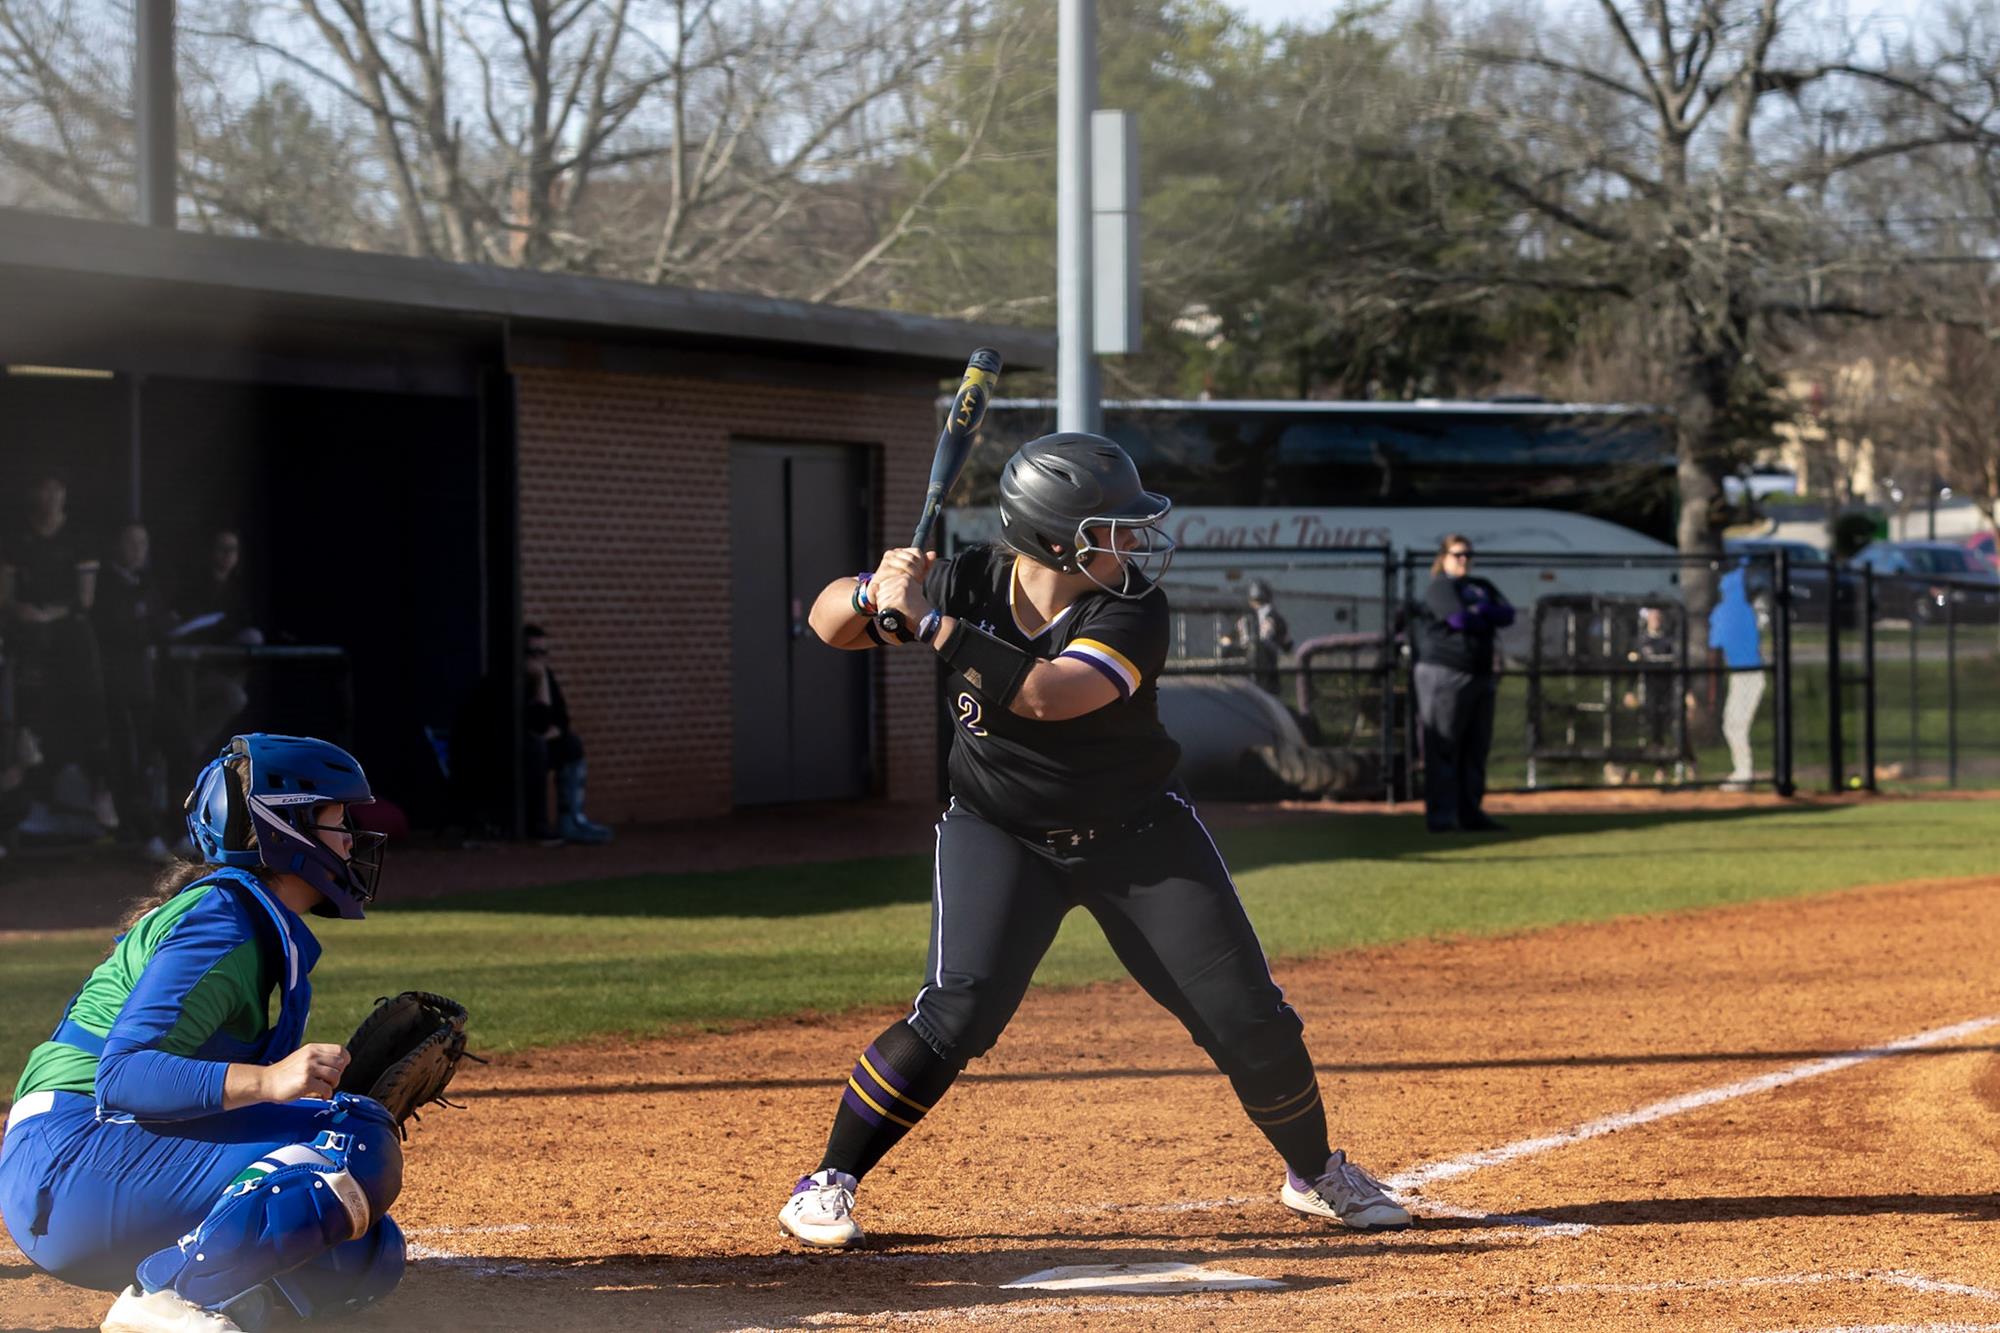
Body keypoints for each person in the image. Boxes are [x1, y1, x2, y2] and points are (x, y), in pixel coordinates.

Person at [776, 432, 1412, 1249]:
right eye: (1111, 529)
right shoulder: (968, 578)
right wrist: (875, 593)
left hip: (1138, 836)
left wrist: (932, 624)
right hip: (997, 831)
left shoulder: (1131, 608)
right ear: (1051, 537)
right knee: (956, 1012)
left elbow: (1050, 694)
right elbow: (827, 621)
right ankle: (827, 1179)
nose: (1134, 542)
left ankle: (1316, 1172)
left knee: (1248, 1016)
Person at [0, 734, 404, 1333]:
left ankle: (236, 1297)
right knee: (352, 1145)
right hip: (69, 1160)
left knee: (366, 1252)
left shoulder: (248, 920)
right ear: (285, 829)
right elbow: (123, 1076)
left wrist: (325, 1101)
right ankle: (167, 1300)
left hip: (97, 1166)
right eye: (337, 820)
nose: (350, 840)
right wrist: (273, 1084)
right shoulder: (219, 923)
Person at [5, 475, 117, 834]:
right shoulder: (15, 540)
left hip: (70, 641)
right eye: (43, 488)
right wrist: (23, 613)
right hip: (27, 644)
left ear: (65, 494)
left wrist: (49, 614)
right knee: (27, 723)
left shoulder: (80, 539)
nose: (49, 496)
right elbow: (5, 595)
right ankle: (27, 806)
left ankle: (100, 796)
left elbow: (84, 601)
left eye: (56, 489)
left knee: (89, 716)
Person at [1413, 534, 1513, 833]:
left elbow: (1507, 615)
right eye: (1457, 555)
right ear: (1443, 557)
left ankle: (1471, 813)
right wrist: (1484, 615)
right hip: (1444, 673)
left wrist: (1480, 612)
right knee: (1444, 745)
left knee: (1475, 747)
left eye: (1468, 555)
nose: (1464, 560)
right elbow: (1458, 620)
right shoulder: (1440, 587)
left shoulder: (1481, 586)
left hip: (1480, 674)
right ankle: (1442, 817)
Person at [522, 624, 613, 844]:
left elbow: (561, 719)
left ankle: (571, 819)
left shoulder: (547, 677)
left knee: (570, 744)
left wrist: (552, 731)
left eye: (543, 653)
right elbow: (538, 722)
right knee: (536, 748)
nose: (539, 659)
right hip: (511, 754)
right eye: (532, 653)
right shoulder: (512, 681)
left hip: (540, 745)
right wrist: (540, 680)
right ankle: (537, 824)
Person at [1710, 564, 1765, 788]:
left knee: (1736, 724)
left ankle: (1744, 774)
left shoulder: (1733, 610)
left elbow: (1713, 652)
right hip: (1739, 674)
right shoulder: (1726, 611)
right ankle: (1742, 771)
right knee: (1731, 724)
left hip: (1750, 674)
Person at [1220, 579, 1293, 695]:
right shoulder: (1276, 618)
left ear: (1250, 599)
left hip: (1244, 673)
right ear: (1268, 597)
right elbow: (1288, 645)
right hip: (1266, 674)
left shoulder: (1244, 617)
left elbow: (1226, 641)